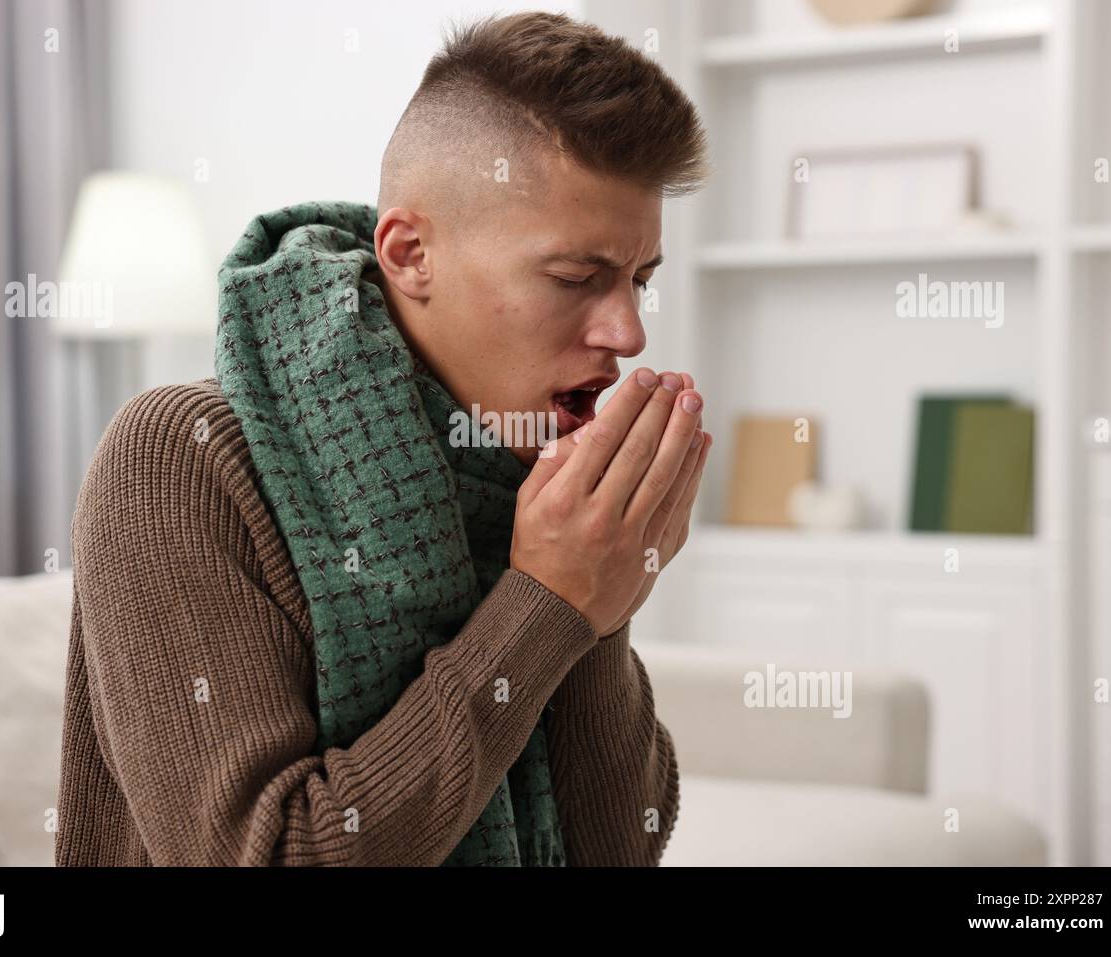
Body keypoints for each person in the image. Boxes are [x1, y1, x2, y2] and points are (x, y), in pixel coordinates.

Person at [55, 10, 711, 867]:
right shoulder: (179, 459)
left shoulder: (522, 464)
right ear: (409, 254)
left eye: (638, 280)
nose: (628, 333)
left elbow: (621, 850)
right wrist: (547, 605)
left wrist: (597, 597)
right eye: (576, 277)